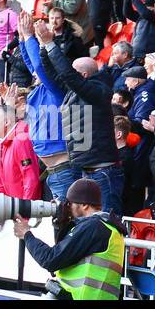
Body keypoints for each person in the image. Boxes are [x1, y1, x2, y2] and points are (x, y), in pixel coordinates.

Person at [34, 22, 122, 218]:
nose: (67, 76)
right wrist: (42, 45)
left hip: (103, 172)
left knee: (107, 225)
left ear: (83, 75)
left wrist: (50, 44)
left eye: (73, 73)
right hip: (87, 172)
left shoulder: (97, 91)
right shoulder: (73, 91)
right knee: (87, 227)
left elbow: (67, 74)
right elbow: (51, 74)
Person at [13, 178, 124, 301]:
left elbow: (50, 259)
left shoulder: (93, 227)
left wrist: (27, 235)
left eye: (70, 204)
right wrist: (61, 224)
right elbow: (62, 259)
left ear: (84, 205)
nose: (67, 207)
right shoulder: (106, 226)